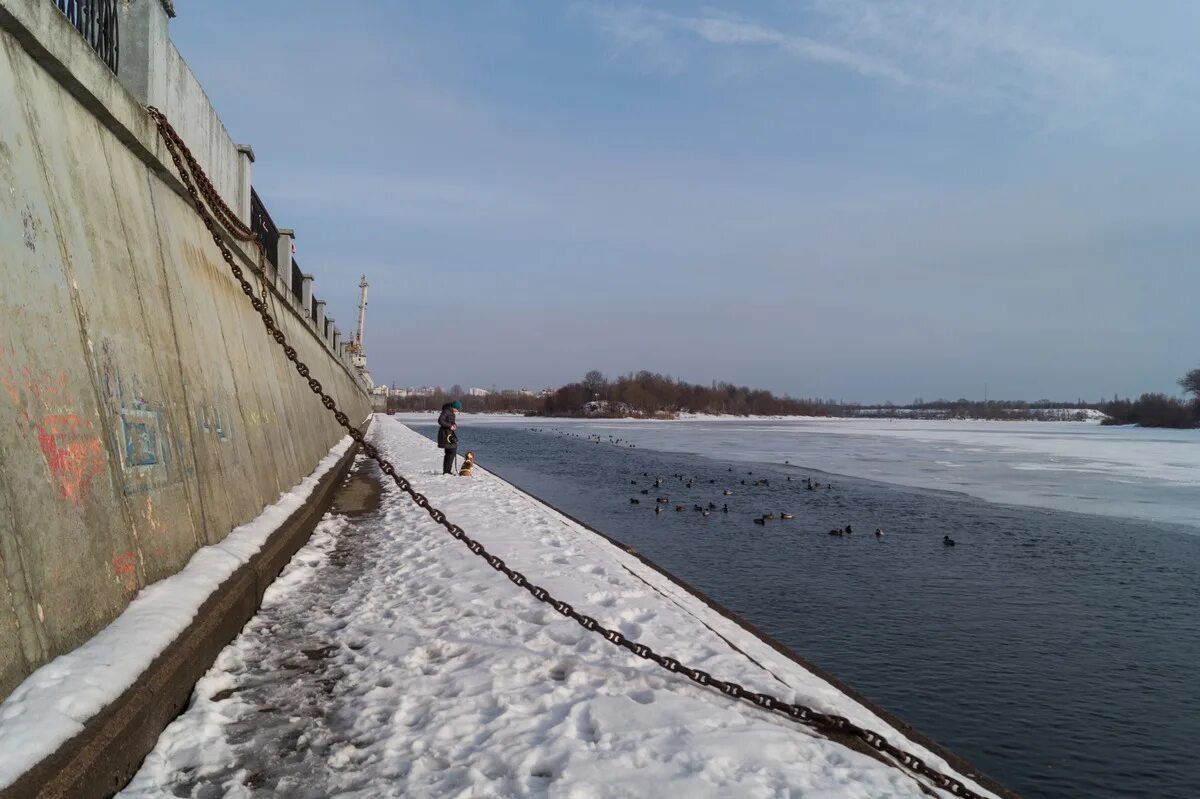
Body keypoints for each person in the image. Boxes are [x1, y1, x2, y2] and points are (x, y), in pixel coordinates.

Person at [437, 400, 462, 474]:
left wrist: (454, 425)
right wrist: (450, 426)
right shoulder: (446, 411)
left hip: (449, 434)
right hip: (445, 434)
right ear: (454, 407)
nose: (457, 411)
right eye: (457, 409)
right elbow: (440, 421)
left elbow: (451, 422)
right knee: (451, 451)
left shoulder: (451, 412)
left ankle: (447, 471)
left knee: (451, 451)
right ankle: (447, 471)